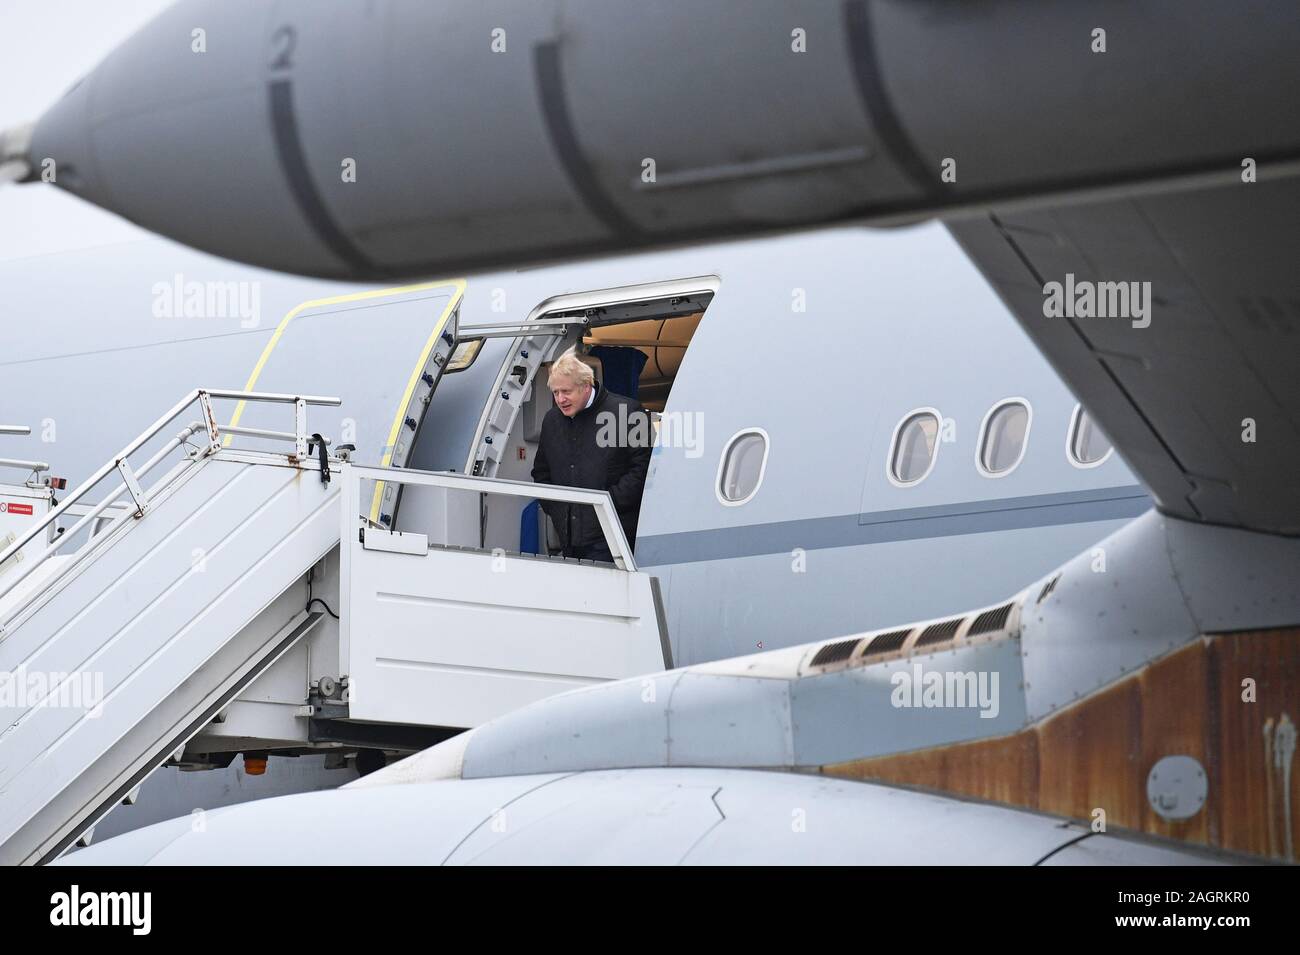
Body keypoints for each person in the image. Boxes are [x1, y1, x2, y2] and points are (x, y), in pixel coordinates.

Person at [530, 348, 652, 563]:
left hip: (614, 537)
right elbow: (541, 472)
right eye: (556, 392)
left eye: (566, 392)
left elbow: (644, 469)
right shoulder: (552, 420)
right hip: (569, 538)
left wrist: (607, 504)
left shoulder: (628, 412)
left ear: (586, 386)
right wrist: (558, 511)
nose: (560, 399)